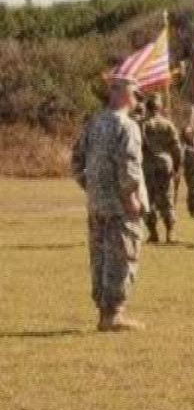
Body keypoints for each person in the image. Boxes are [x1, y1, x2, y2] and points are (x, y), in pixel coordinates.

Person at [71, 75, 149, 331]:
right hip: (120, 205)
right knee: (122, 256)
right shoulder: (127, 126)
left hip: (97, 203)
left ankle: (104, 312)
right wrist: (131, 196)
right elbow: (129, 163)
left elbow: (76, 159)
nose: (138, 101)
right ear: (126, 95)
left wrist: (91, 187)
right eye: (136, 95)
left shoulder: (94, 123)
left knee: (100, 257)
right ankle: (113, 314)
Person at [136, 95, 181, 244]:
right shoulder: (168, 124)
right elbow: (176, 147)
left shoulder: (141, 125)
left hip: (147, 165)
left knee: (148, 199)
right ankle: (170, 233)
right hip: (165, 164)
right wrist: (177, 166)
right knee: (167, 198)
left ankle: (153, 233)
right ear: (159, 108)